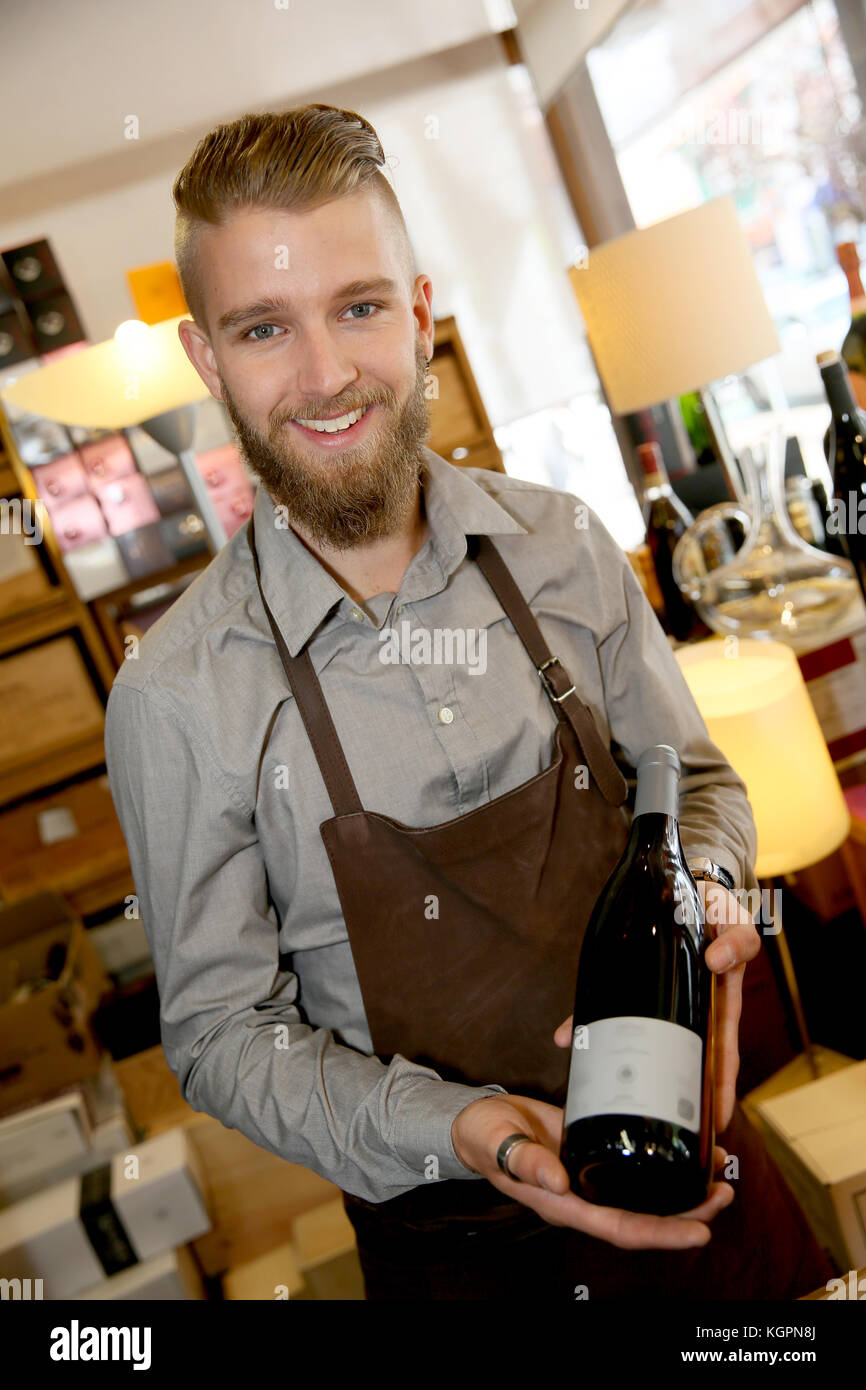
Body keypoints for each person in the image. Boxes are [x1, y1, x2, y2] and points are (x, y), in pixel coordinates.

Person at [105, 103, 835, 1301]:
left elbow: (692, 782)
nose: (327, 374)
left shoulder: (563, 546)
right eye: (262, 328)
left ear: (421, 312)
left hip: (704, 1179)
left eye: (358, 306)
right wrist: (464, 1126)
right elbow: (222, 1031)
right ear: (205, 360)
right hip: (461, 1256)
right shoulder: (178, 696)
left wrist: (703, 893)